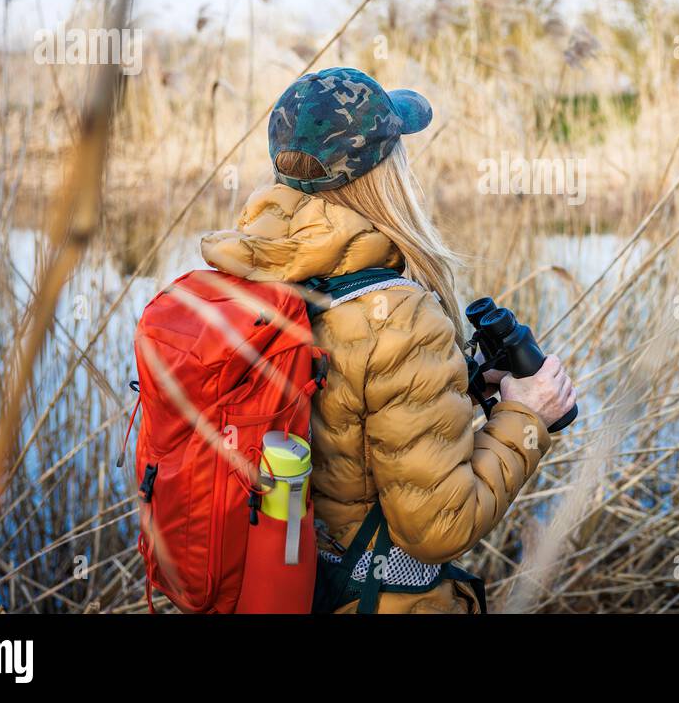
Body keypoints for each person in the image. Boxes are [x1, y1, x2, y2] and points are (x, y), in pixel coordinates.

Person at [201, 67, 576, 614]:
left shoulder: (252, 272)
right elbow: (439, 526)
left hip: (288, 589)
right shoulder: (399, 317)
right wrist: (527, 417)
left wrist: (460, 385)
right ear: (382, 174)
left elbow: (347, 417)